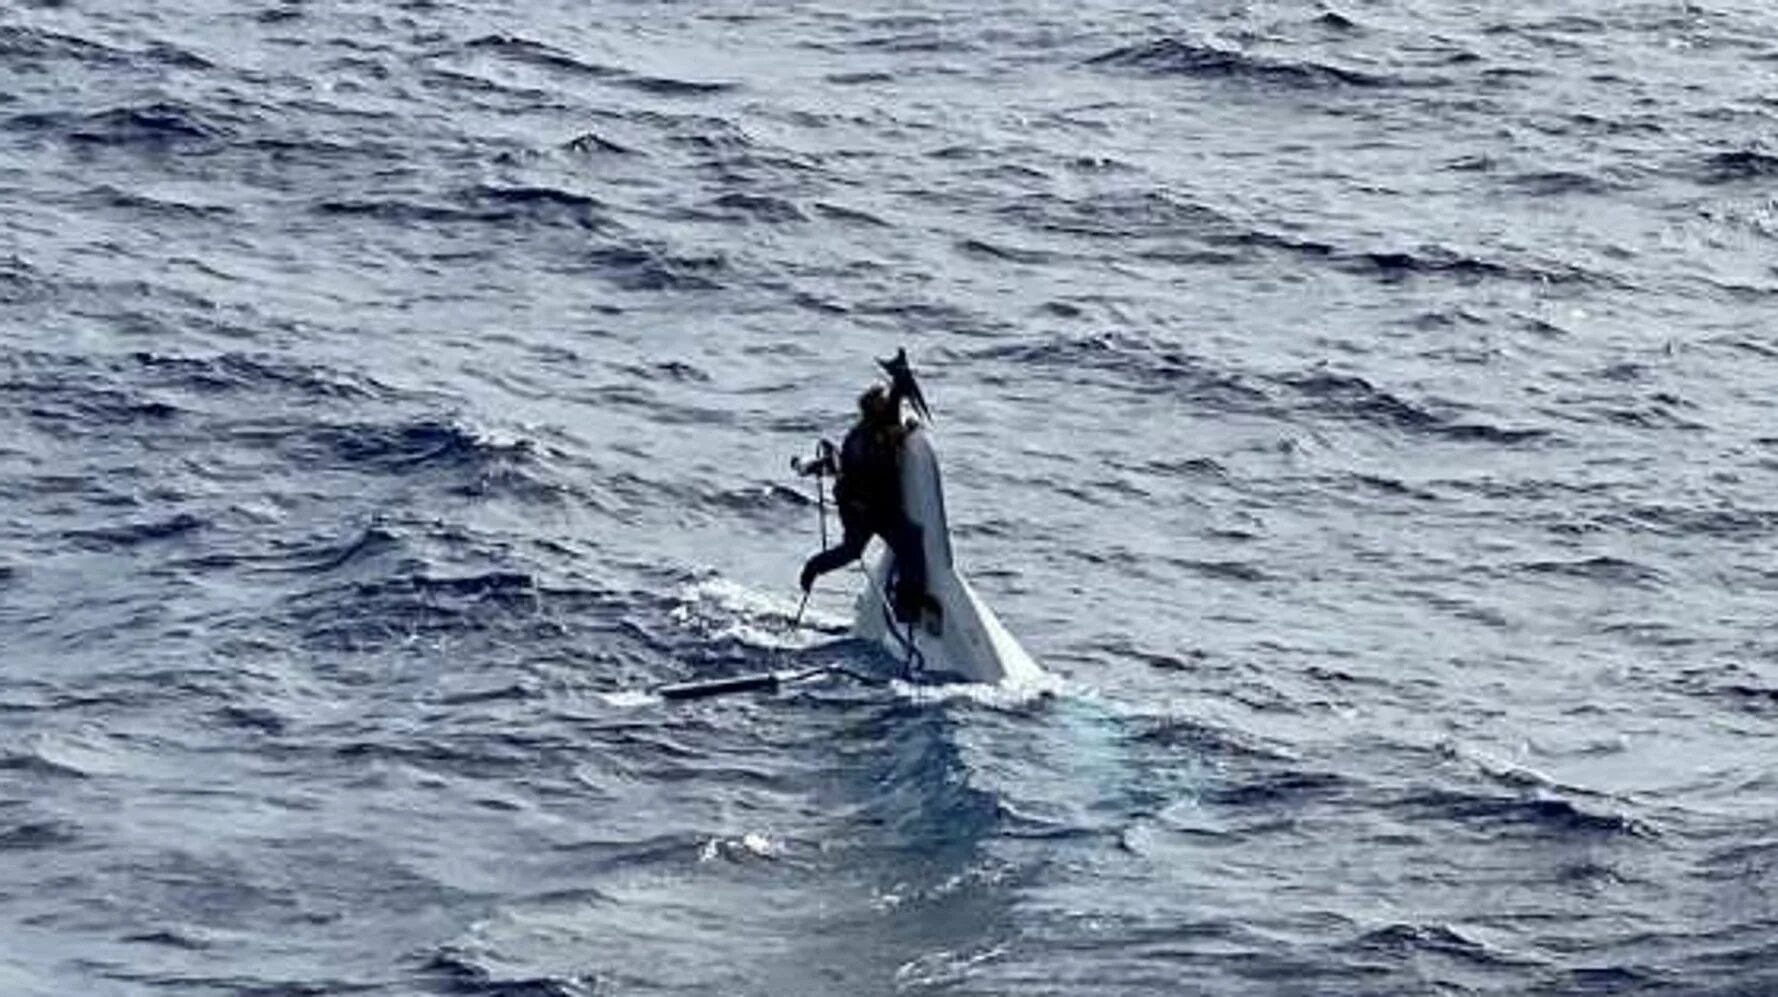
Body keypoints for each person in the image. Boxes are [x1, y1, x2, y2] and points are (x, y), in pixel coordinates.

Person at [797, 363, 929, 622]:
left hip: (882, 506)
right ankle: (814, 567)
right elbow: (861, 476)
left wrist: (901, 376)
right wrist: (903, 434)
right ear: (873, 413)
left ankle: (909, 600)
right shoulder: (860, 441)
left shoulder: (884, 421)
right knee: (858, 550)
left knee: (909, 540)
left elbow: (895, 401)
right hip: (863, 507)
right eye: (882, 404)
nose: (891, 410)